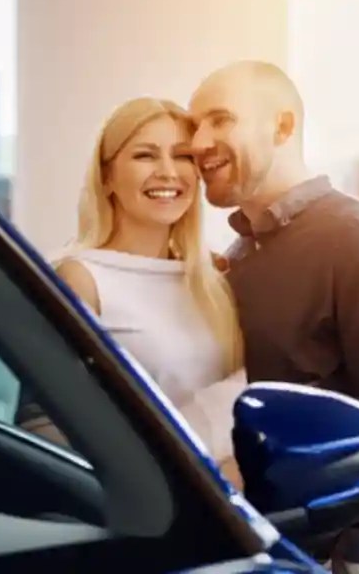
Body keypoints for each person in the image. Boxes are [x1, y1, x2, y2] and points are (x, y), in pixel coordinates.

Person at [187, 61, 359, 574]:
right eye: (194, 126)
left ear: (282, 127)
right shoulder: (238, 256)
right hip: (266, 549)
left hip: (340, 558)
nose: (198, 142)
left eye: (219, 119)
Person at [51, 97, 246, 480]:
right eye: (145, 156)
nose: (168, 172)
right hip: (142, 500)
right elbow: (55, 422)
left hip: (224, 507)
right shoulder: (82, 278)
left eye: (183, 156)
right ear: (107, 177)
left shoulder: (215, 277)